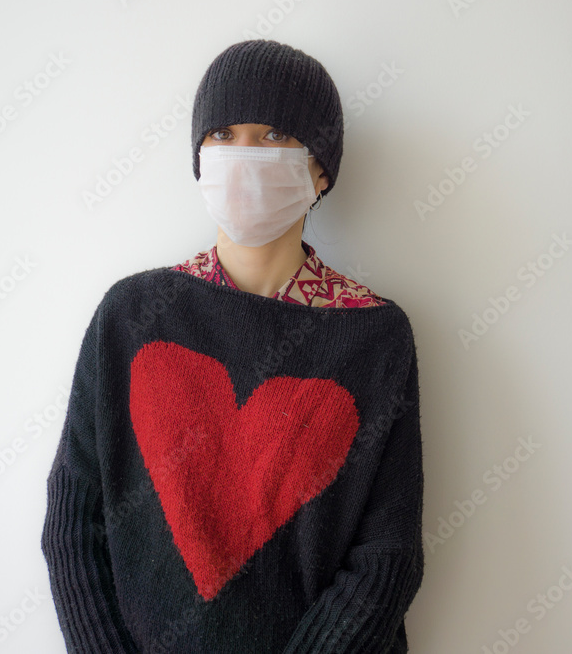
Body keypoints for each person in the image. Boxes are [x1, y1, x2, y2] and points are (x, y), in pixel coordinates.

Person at [41, 39, 425, 653]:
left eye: (274, 135)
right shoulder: (132, 315)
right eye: (223, 134)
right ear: (199, 157)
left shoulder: (375, 337)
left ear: (321, 170)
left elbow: (386, 558)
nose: (243, 155)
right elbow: (73, 522)